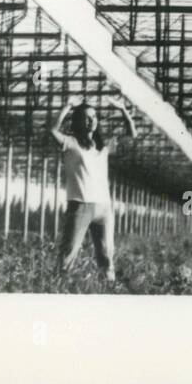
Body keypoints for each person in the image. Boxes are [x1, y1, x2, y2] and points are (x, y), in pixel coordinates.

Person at [50, 93, 137, 282]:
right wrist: (67, 106)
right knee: (68, 254)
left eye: (94, 117)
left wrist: (123, 110)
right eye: (87, 118)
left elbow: (132, 135)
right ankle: (59, 290)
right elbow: (53, 131)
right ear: (78, 122)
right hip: (80, 206)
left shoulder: (103, 147)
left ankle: (108, 291)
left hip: (104, 208)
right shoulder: (70, 143)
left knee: (107, 256)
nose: (92, 121)